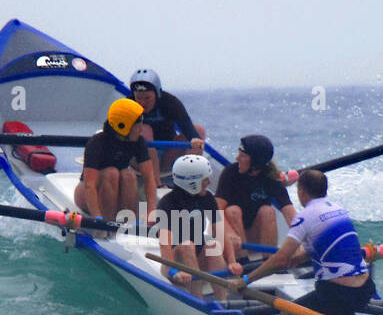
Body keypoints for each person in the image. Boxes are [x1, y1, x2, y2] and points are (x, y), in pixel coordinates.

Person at [228, 169, 377, 315]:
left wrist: (245, 280)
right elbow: (331, 246)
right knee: (327, 308)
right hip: (366, 289)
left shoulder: (305, 216)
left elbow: (280, 260)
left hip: (338, 293)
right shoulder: (338, 209)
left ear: (301, 191)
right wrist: (301, 257)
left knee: (286, 313)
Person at [157, 154, 242, 296]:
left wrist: (232, 261)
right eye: (205, 179)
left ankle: (222, 301)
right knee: (187, 245)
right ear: (192, 182)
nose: (209, 182)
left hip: (196, 259)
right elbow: (164, 245)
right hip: (174, 263)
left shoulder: (207, 198)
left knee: (212, 245)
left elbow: (220, 233)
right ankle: (198, 300)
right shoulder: (167, 204)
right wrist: (174, 270)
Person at [74, 98, 159, 225]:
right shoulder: (97, 143)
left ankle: (128, 223)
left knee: (129, 175)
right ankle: (108, 225)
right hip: (88, 194)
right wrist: (98, 220)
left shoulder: (138, 142)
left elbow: (149, 178)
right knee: (111, 173)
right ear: (123, 126)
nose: (141, 129)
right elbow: (89, 186)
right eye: (138, 125)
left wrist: (151, 211)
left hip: (116, 192)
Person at [214, 134, 296, 251]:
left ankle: (269, 261)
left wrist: (305, 241)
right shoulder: (230, 173)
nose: (237, 159)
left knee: (267, 211)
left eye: (242, 156)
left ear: (255, 163)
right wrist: (229, 232)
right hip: (228, 238)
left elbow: (291, 215)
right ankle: (242, 261)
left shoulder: (272, 178)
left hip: (252, 236)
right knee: (233, 211)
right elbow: (214, 210)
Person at [128, 68, 205, 180]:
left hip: (167, 157)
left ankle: (189, 181)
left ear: (157, 94)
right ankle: (156, 183)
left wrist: (195, 139)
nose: (142, 103)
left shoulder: (170, 102)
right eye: (138, 98)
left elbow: (190, 130)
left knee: (199, 130)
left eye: (147, 98)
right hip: (139, 159)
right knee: (144, 129)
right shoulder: (127, 105)